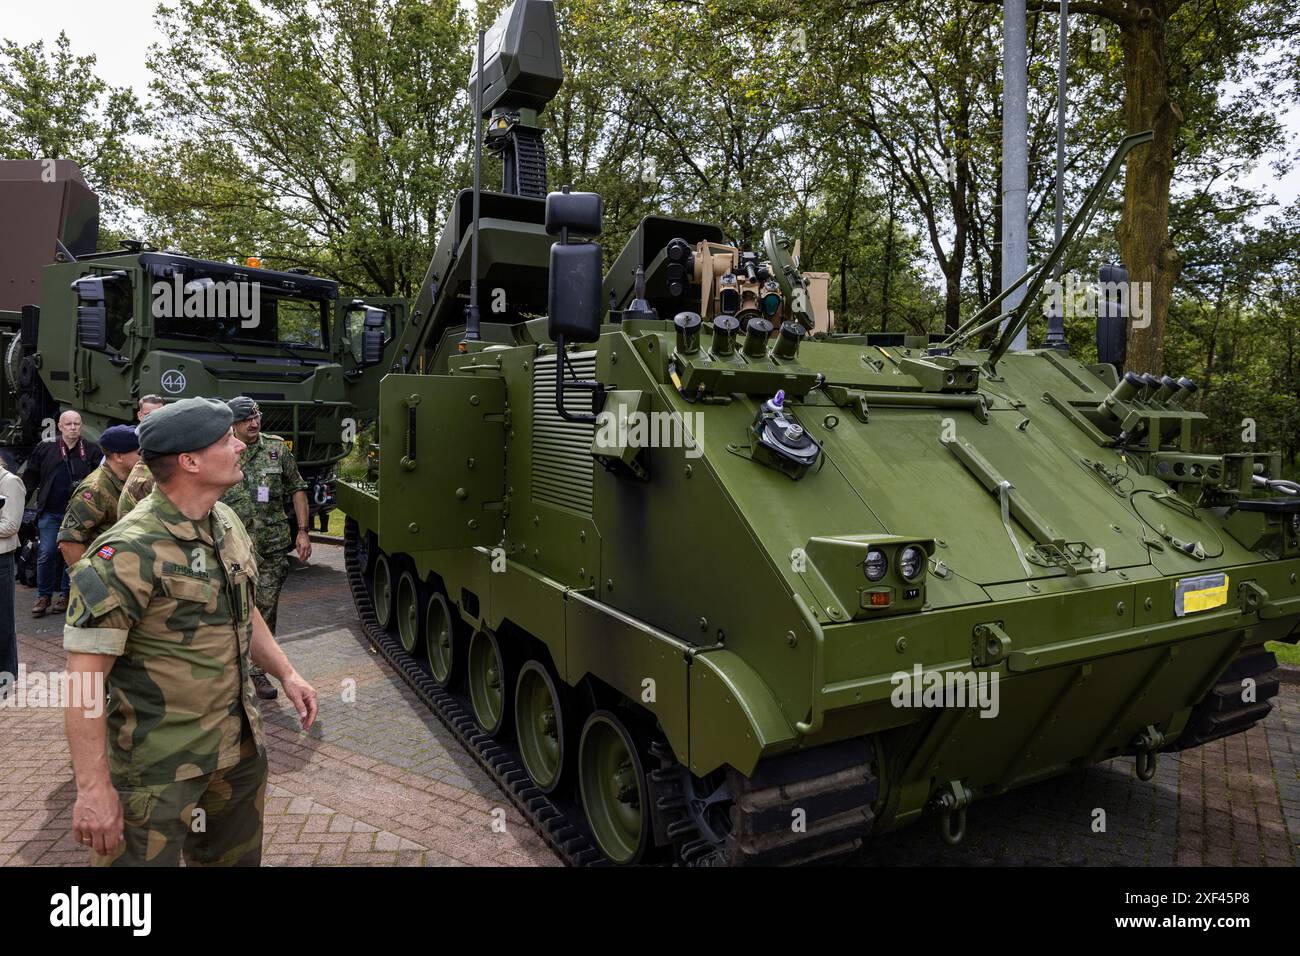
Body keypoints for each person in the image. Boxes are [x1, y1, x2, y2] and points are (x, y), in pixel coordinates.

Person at [62, 396, 318, 866]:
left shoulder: (226, 521)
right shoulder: (125, 553)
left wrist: (287, 672)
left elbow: (244, 609)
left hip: (237, 754)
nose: (239, 446)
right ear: (190, 461)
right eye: (225, 440)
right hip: (155, 770)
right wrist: (93, 788)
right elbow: (83, 682)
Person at [222, 397, 311, 701]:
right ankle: (232, 667)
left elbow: (297, 487)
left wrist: (302, 531)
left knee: (265, 607)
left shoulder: (275, 449)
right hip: (232, 549)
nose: (254, 423)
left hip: (271, 548)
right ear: (233, 424)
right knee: (233, 609)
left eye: (256, 416)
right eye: (246, 418)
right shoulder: (223, 451)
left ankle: (257, 670)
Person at [23, 410, 101, 617]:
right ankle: (44, 596)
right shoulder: (46, 448)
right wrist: (20, 504)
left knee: (72, 555)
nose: (73, 427)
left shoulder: (92, 450)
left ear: (81, 426)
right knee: (47, 553)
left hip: (78, 514)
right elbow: (31, 477)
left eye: (76, 424)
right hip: (50, 511)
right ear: (60, 426)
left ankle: (66, 595)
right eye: (68, 424)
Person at [56, 425, 140, 568]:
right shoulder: (95, 490)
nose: (143, 457)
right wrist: (88, 584)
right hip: (104, 574)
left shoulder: (129, 481)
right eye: (139, 453)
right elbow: (69, 542)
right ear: (119, 457)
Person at [117, 396, 166, 517]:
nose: (155, 419)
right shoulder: (125, 440)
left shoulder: (169, 439)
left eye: (159, 414)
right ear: (140, 415)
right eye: (149, 414)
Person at [0, 451, 24, 692]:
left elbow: (10, 525)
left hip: (2, 560)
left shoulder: (10, 482)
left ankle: (5, 676)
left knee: (3, 621)